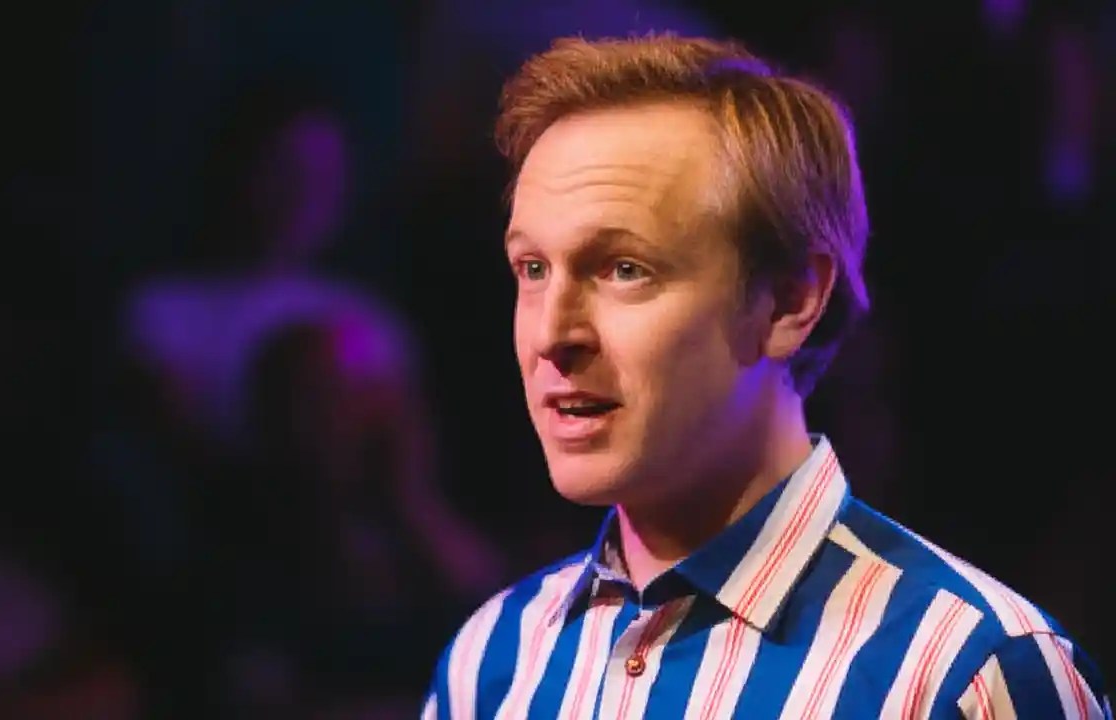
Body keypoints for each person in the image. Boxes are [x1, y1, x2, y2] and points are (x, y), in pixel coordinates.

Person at [423, 34, 1110, 718]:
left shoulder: (967, 675)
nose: (550, 335)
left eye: (625, 269)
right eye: (533, 269)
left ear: (790, 300)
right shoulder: (494, 662)